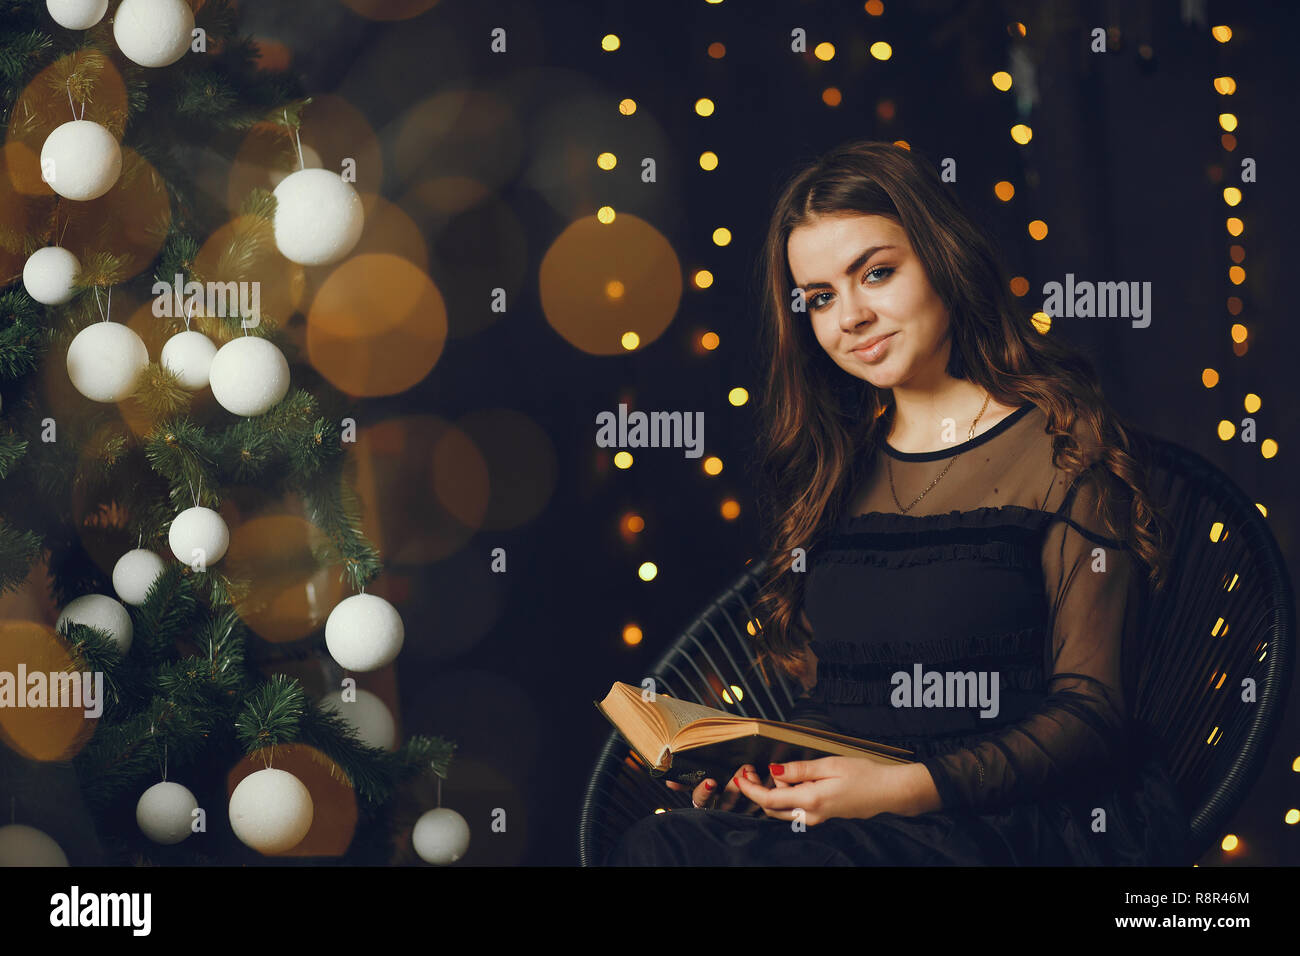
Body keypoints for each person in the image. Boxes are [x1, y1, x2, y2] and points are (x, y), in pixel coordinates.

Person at [605, 140, 1194, 866]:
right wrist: (770, 779)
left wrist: (901, 790)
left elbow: (1092, 718)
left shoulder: (1063, 454)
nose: (850, 316)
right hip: (858, 824)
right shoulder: (835, 473)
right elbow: (844, 700)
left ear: (943, 262)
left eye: (876, 274)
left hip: (1006, 819)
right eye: (820, 297)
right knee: (661, 843)